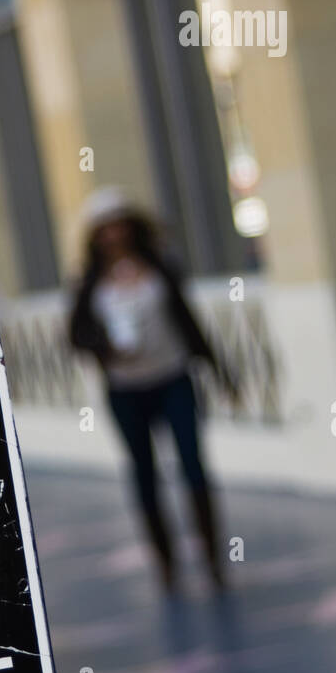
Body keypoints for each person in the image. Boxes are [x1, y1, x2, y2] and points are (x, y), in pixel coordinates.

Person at [69, 187, 224, 592]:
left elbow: (189, 321)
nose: (114, 236)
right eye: (105, 229)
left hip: (173, 377)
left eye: (120, 225)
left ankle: (213, 560)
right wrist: (107, 349)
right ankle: (166, 564)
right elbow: (76, 335)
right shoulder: (88, 282)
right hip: (126, 390)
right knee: (144, 472)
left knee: (193, 466)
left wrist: (220, 371)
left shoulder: (160, 267)